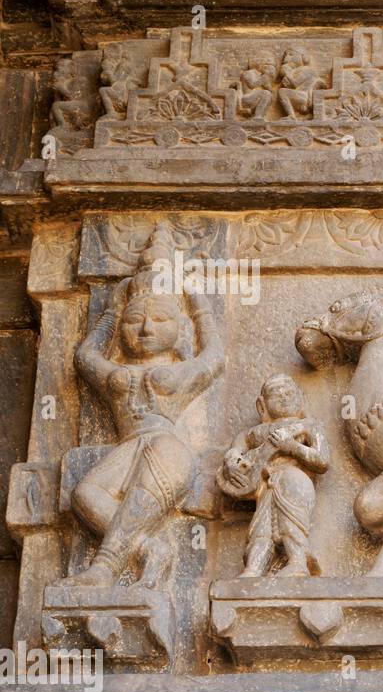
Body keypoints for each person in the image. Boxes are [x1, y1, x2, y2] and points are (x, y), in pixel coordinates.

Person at [58, 227, 225, 589]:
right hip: (129, 445)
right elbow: (85, 357)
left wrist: (198, 306)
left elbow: (215, 356)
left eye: (161, 319)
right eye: (134, 321)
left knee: (137, 494)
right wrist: (114, 311)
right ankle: (149, 549)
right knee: (84, 495)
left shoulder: (181, 372)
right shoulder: (116, 372)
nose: (146, 328)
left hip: (167, 446)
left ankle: (104, 568)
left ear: (181, 329)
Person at [219, 374, 329, 577]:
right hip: (265, 484)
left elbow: (322, 461)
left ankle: (298, 563)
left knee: (291, 523)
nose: (284, 398)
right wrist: (232, 461)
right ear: (262, 406)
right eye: (276, 394)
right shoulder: (256, 432)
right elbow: (237, 448)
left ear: (301, 398)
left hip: (295, 481)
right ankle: (254, 567)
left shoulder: (309, 426)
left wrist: (292, 447)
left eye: (289, 393)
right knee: (261, 528)